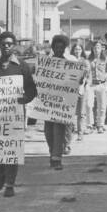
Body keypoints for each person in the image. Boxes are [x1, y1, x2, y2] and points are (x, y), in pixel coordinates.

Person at [0, 31, 37, 197]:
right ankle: (1, 174)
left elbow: (31, 89)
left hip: (15, 114)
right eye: (3, 44)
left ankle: (10, 184)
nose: (6, 46)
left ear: (14, 46)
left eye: (9, 44)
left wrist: (24, 99)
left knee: (12, 150)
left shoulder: (22, 66)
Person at [43, 35, 72, 170]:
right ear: (53, 48)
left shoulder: (69, 65)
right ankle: (52, 153)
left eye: (62, 48)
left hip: (62, 102)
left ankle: (57, 158)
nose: (59, 50)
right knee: (48, 131)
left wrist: (80, 79)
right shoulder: (46, 63)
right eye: (57, 47)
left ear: (64, 49)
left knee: (59, 130)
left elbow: (74, 82)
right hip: (47, 102)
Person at [88, 40, 107, 134]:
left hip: (101, 84)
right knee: (89, 105)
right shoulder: (89, 59)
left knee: (102, 106)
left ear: (101, 49)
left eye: (98, 47)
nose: (96, 49)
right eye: (94, 47)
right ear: (92, 49)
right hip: (91, 85)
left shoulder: (105, 59)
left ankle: (100, 125)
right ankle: (90, 125)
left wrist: (106, 82)